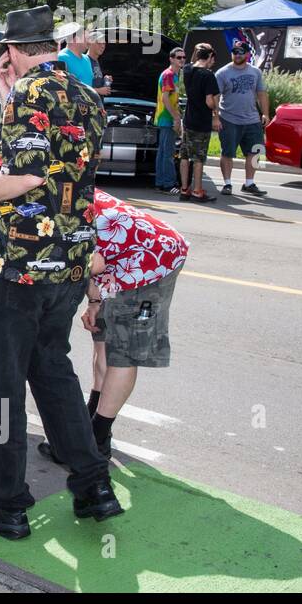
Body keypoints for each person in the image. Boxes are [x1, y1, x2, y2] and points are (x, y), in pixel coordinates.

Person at [0, 5, 120, 540]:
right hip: (70, 261)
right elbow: (51, 161)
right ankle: (93, 486)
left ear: (13, 50)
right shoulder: (87, 94)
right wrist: (2, 95)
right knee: (54, 371)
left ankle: (7, 503)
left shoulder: (28, 96)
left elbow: (16, 174)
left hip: (18, 265)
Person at [38, 189, 187, 463]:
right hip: (119, 263)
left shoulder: (60, 207)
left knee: (123, 353)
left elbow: (88, 263)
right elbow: (95, 258)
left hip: (150, 263)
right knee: (102, 338)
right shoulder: (62, 186)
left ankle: (97, 438)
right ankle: (90, 420)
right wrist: (94, 302)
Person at [216, 39, 270, 196]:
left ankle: (249, 183)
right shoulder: (222, 73)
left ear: (247, 54)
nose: (237, 55)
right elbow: (215, 96)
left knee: (256, 151)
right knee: (227, 152)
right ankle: (227, 184)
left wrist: (265, 113)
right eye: (234, 52)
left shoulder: (255, 72)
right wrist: (216, 117)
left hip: (252, 119)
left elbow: (262, 94)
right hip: (228, 118)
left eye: (240, 52)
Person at [178, 44, 220, 201]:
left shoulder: (187, 69)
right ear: (209, 57)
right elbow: (210, 101)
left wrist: (199, 50)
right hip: (201, 121)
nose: (213, 62)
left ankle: (184, 189)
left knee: (184, 155)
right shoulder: (208, 75)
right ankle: (197, 190)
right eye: (212, 59)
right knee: (198, 158)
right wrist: (216, 111)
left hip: (188, 119)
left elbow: (193, 59)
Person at [151, 47, 184, 193]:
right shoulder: (169, 75)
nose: (182, 60)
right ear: (171, 59)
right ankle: (168, 184)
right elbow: (165, 99)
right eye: (178, 57)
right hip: (166, 118)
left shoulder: (175, 75)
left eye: (183, 57)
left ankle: (161, 182)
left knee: (164, 152)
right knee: (168, 153)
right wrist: (176, 118)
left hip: (167, 117)